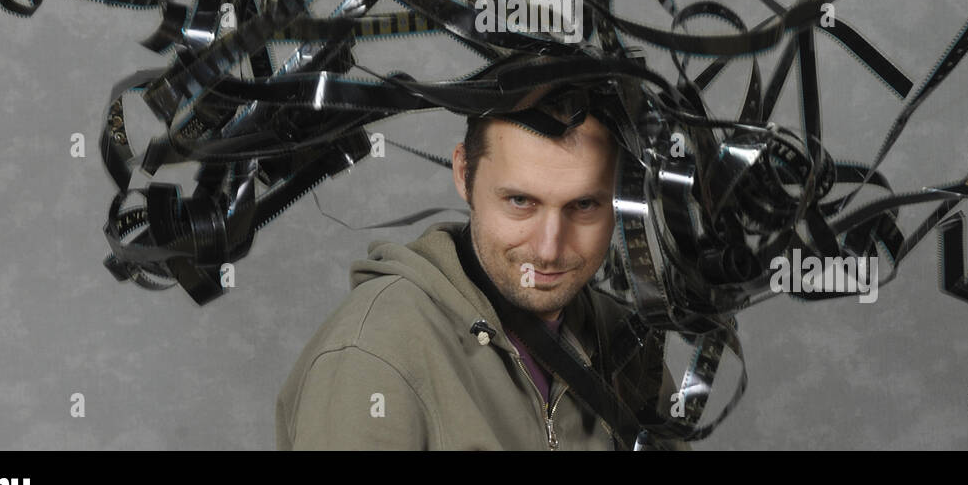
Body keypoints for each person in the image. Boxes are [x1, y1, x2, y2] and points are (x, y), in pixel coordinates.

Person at [275, 98, 685, 450]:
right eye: (520, 200)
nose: (548, 249)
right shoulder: (373, 357)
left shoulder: (630, 348)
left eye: (583, 206)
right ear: (463, 174)